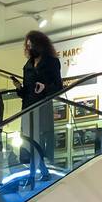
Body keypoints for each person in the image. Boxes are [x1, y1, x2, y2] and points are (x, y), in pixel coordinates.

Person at [17, 30, 63, 186]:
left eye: (31, 45)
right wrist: (19, 89)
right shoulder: (27, 65)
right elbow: (26, 89)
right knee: (29, 140)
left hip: (42, 105)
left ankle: (32, 175)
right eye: (27, 45)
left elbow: (58, 86)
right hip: (28, 106)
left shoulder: (51, 62)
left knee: (37, 140)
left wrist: (45, 87)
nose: (29, 48)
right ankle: (43, 172)